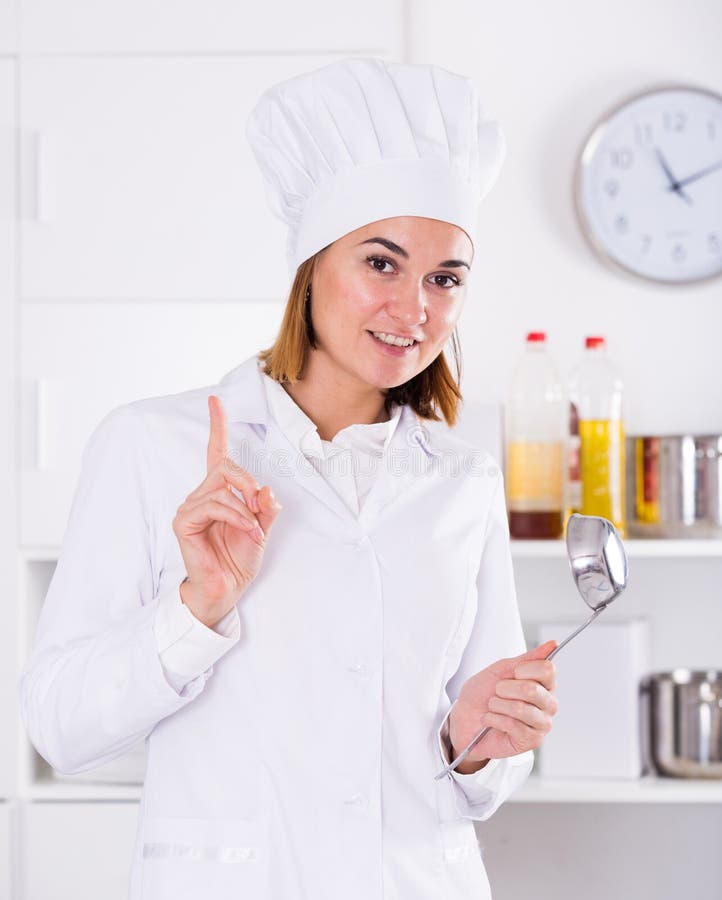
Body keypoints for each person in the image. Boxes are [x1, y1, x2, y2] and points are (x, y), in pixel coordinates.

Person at [18, 57, 558, 900]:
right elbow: (60, 727)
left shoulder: (463, 479)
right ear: (311, 268)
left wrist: (479, 742)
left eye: (445, 278)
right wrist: (196, 609)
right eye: (381, 263)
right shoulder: (153, 447)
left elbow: (470, 763)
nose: (415, 308)